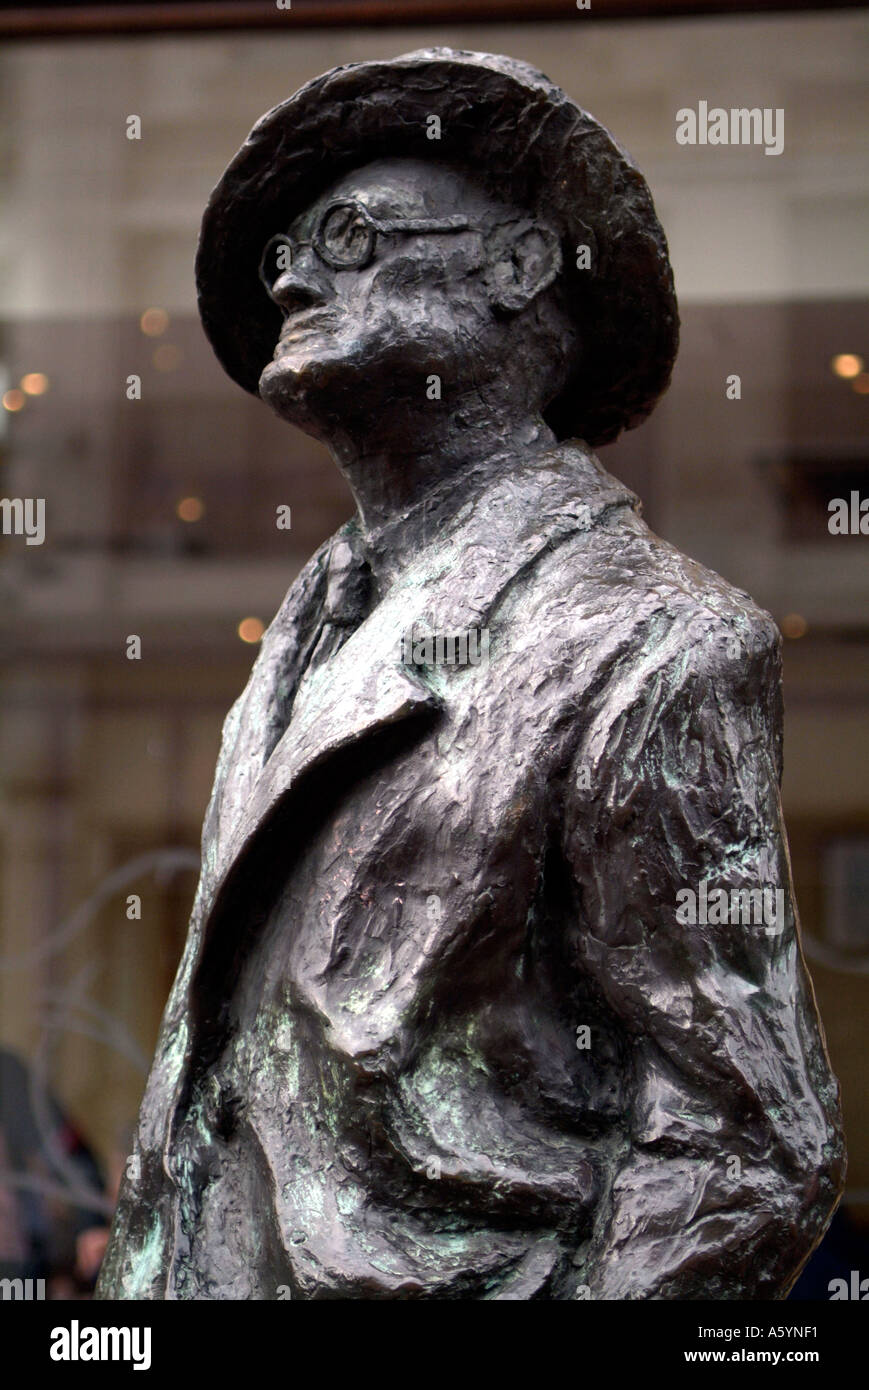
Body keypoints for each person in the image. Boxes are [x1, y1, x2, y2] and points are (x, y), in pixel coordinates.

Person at [98, 49, 844, 1301]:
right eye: (284, 247)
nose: (288, 272)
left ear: (518, 267)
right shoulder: (308, 627)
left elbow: (748, 1146)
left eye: (345, 234)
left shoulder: (654, 640)